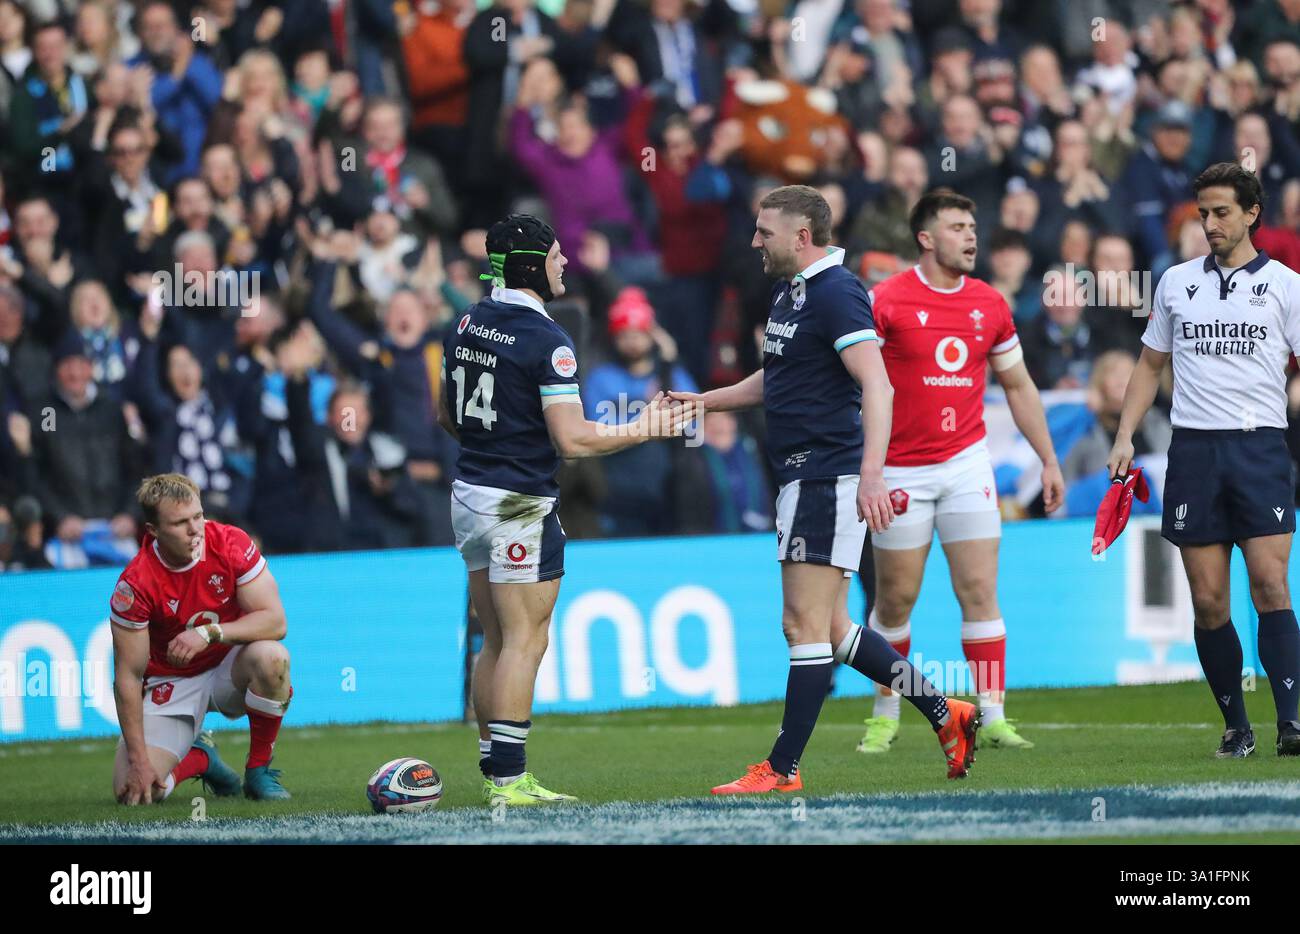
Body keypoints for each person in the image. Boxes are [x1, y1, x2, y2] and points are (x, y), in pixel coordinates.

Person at [670, 185, 980, 794]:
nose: (754, 241)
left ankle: (782, 768)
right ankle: (947, 712)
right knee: (836, 630)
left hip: (826, 475)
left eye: (764, 232)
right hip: (801, 475)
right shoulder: (794, 292)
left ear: (802, 237)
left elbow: (878, 384)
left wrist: (870, 474)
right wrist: (705, 401)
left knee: (801, 625)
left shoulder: (839, 293)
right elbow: (777, 377)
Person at [439, 214, 688, 806]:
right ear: (530, 265)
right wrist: (643, 427)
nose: (565, 263)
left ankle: (492, 766)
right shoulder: (548, 341)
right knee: (526, 639)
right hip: (520, 502)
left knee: (494, 639)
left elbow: (448, 417)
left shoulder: (464, 322)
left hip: (470, 495)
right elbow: (573, 440)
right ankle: (509, 778)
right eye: (555, 255)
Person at [857, 188, 1065, 755]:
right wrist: (865, 466)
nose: (971, 236)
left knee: (978, 589)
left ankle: (993, 715)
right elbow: (859, 381)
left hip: (966, 462)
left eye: (973, 225)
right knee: (896, 600)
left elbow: (1018, 386)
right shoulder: (886, 301)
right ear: (925, 238)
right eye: (956, 227)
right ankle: (885, 711)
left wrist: (1048, 459)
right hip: (900, 469)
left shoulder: (990, 304)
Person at [1107, 162, 1300, 759]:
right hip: (1193, 450)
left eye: (1221, 212)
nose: (1210, 224)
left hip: (1260, 446)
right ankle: (1236, 727)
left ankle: (1290, 723)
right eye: (1203, 214)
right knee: (1210, 598)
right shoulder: (1174, 283)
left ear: (1251, 214)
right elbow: (1149, 365)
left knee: (1270, 584)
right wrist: (1124, 436)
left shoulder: (1287, 286)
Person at [109, 473, 293, 804]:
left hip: (228, 665)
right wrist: (139, 761)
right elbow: (128, 676)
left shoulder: (230, 543)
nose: (196, 530)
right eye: (181, 523)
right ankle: (202, 757)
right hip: (171, 681)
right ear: (153, 531)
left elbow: (276, 621)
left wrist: (210, 633)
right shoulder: (135, 585)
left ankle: (258, 771)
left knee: (273, 658)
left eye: (198, 516)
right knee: (136, 792)